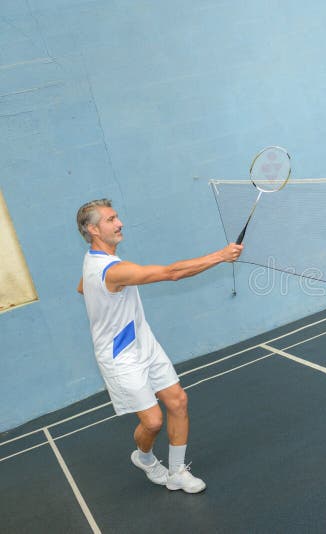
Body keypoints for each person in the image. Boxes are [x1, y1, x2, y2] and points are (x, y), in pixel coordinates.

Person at [76, 199, 243, 492]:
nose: (120, 223)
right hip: (120, 356)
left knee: (178, 401)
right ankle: (144, 458)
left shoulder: (93, 260)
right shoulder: (112, 270)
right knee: (153, 422)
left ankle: (177, 472)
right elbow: (171, 273)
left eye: (117, 217)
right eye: (111, 220)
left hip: (144, 343)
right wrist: (220, 255)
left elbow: (82, 287)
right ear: (93, 230)